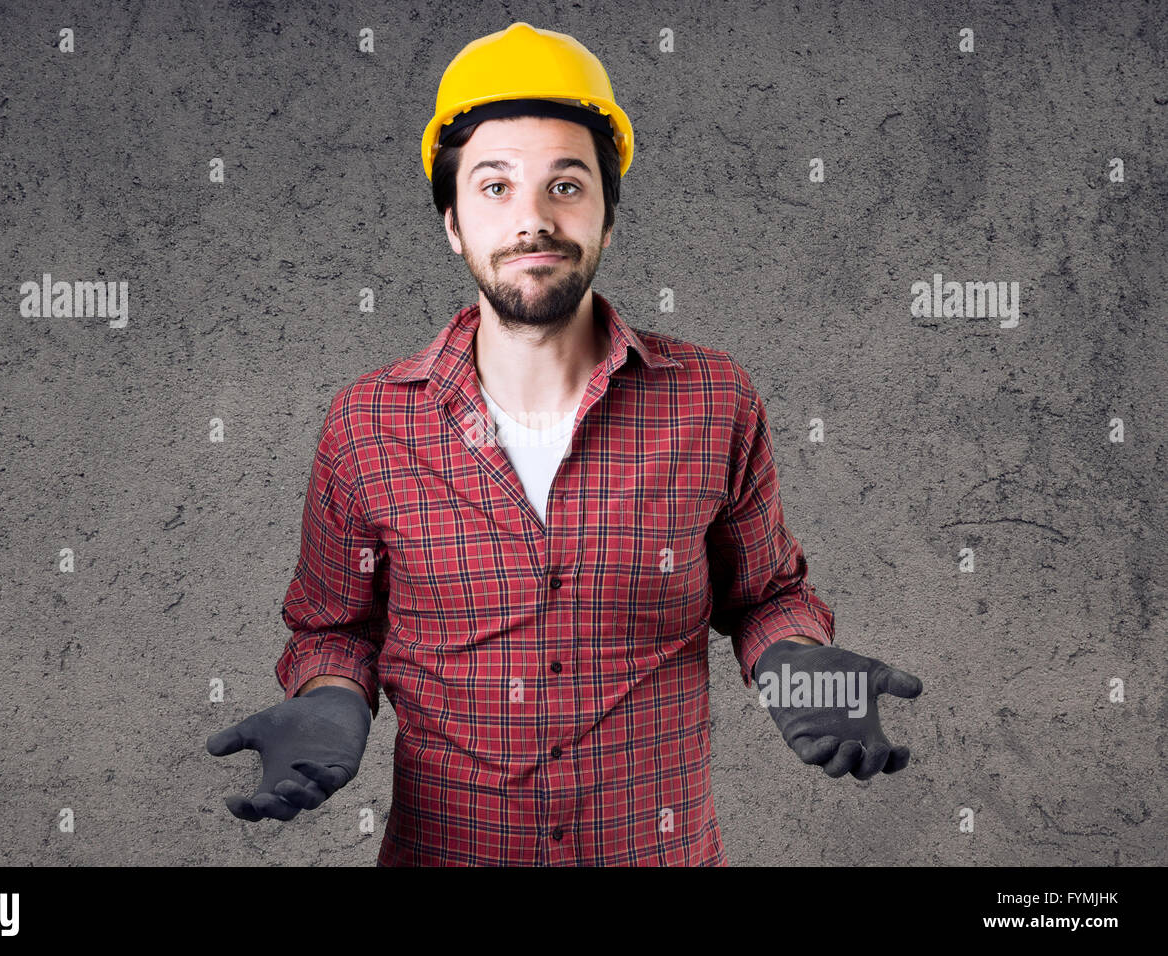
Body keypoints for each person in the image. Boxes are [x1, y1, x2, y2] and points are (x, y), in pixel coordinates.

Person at [207, 22, 923, 866]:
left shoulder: (711, 398)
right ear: (452, 223)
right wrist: (329, 696)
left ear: (608, 218)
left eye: (567, 186)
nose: (533, 220)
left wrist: (800, 666)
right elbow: (335, 627)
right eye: (496, 186)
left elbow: (763, 595)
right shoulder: (366, 424)